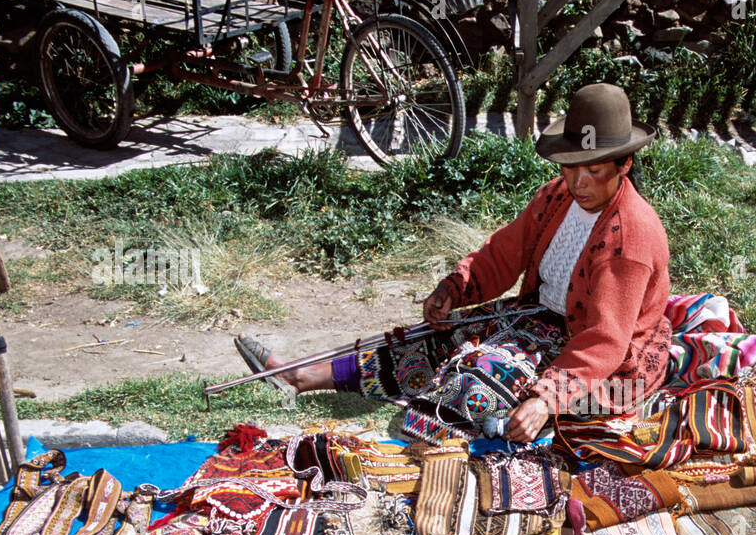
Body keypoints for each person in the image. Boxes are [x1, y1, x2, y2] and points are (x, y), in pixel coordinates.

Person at [240, 82, 673, 445]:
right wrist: (456, 287)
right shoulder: (556, 196)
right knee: (437, 336)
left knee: (476, 377)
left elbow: (604, 341)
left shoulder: (629, 238)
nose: (578, 182)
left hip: (608, 364)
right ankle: (301, 377)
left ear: (624, 164)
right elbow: (505, 252)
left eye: (594, 171)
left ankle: (446, 433)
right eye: (571, 167)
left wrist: (546, 398)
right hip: (540, 319)